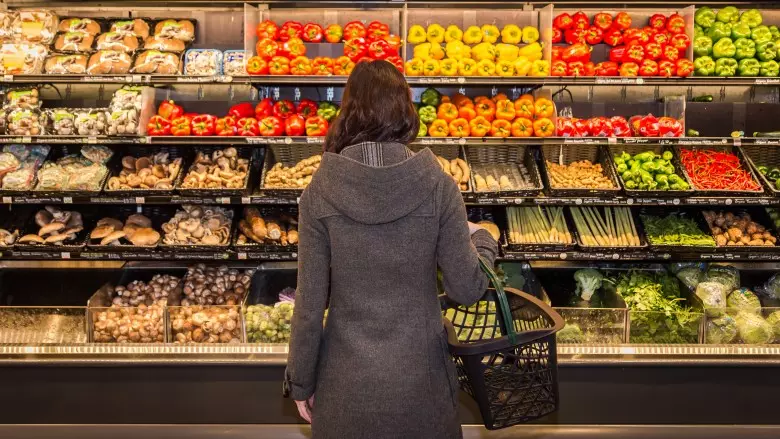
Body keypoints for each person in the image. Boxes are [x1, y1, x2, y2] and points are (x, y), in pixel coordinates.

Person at [285, 60, 498, 439]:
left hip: (344, 391)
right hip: (422, 390)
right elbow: (467, 288)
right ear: (405, 108)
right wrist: (482, 240)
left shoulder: (318, 192)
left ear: (348, 110)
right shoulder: (438, 186)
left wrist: (300, 382)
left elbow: (309, 304)